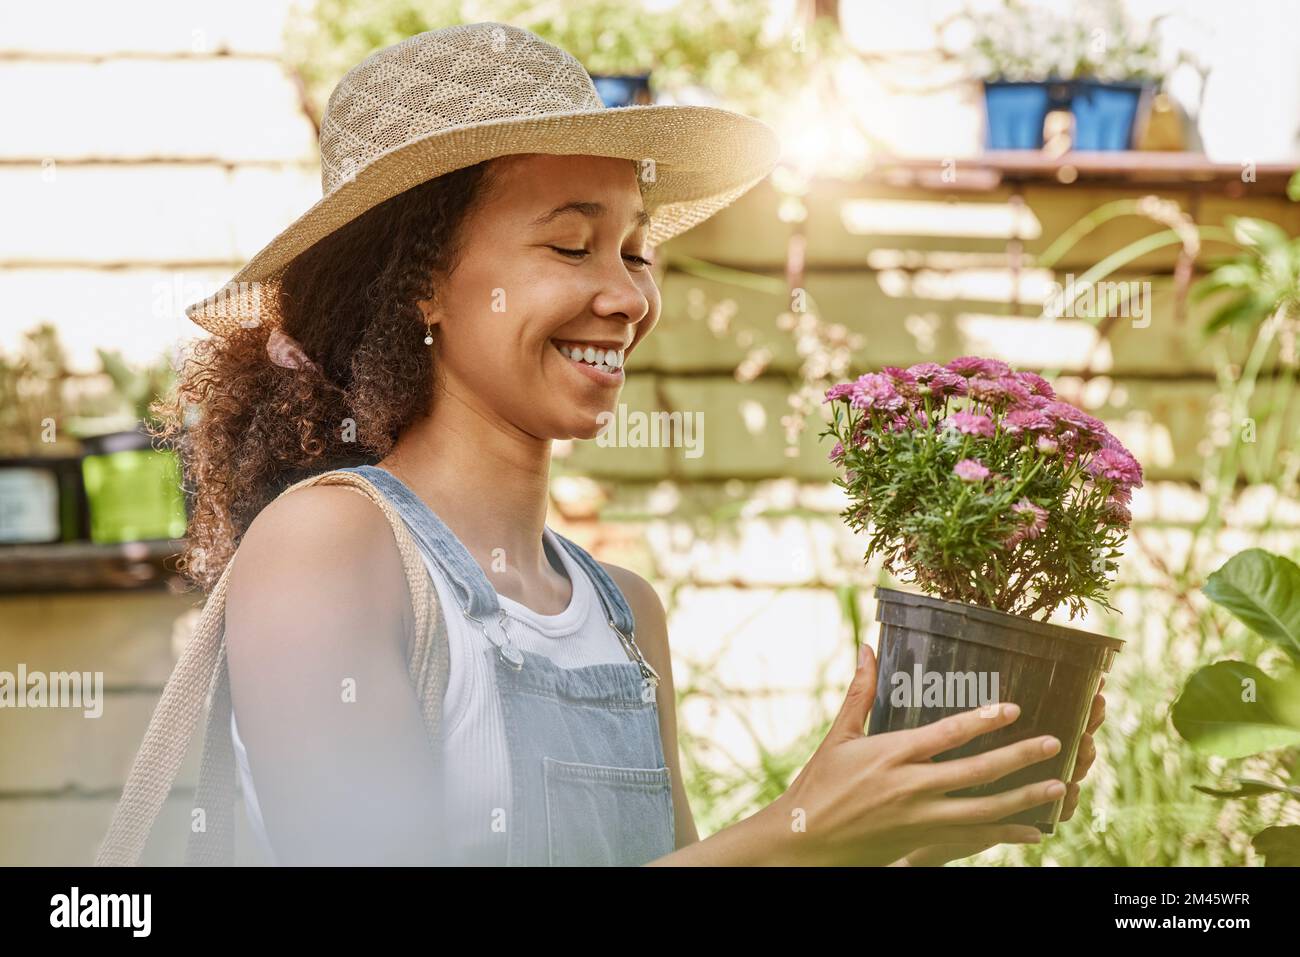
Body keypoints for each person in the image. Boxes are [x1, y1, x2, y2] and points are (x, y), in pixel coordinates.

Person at [162, 23, 1105, 866]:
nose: (625, 297)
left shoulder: (621, 612)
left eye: (636, 251)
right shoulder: (331, 548)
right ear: (422, 285)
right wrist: (800, 834)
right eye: (572, 248)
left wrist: (888, 829)